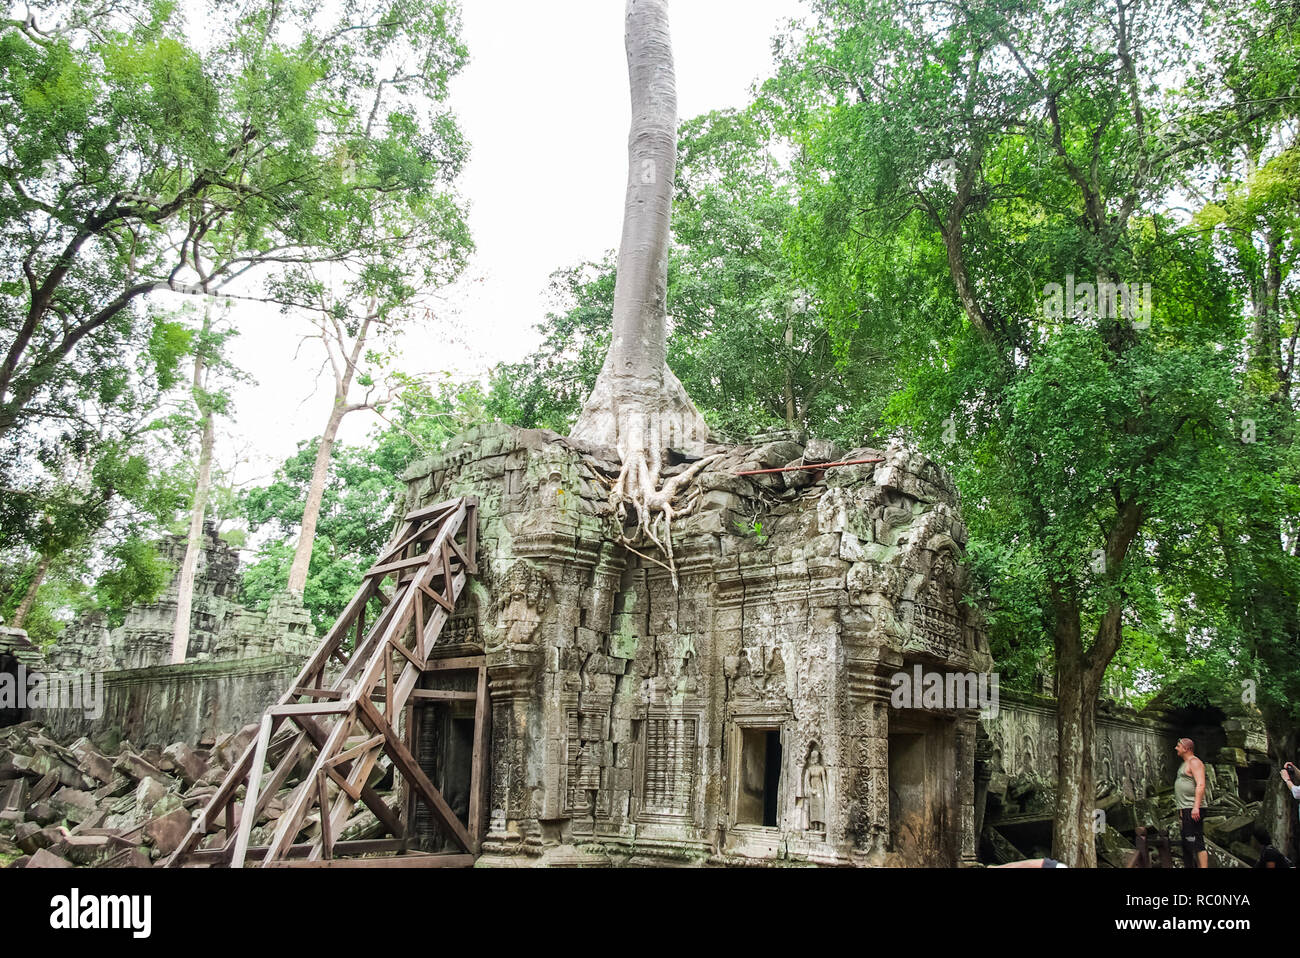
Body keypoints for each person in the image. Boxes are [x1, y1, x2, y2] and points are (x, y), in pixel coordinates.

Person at [1174, 737, 1209, 868]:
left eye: (1178, 746)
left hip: (1193, 808)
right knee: (1188, 841)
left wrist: (1196, 807)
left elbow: (1200, 784)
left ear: (1186, 748)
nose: (1176, 748)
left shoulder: (1195, 762)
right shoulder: (1185, 763)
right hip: (1186, 808)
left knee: (1196, 840)